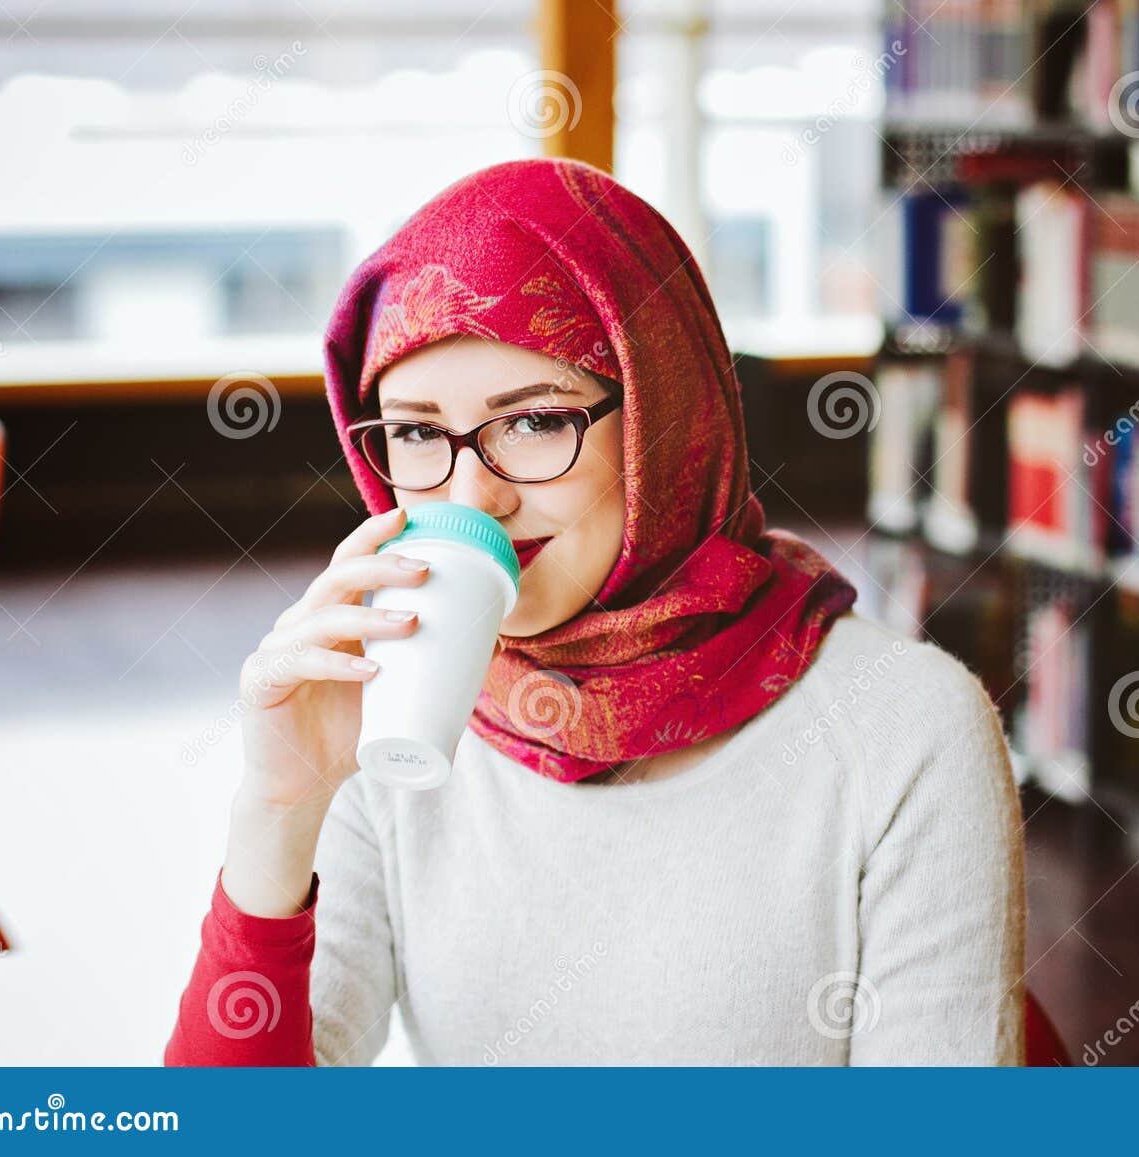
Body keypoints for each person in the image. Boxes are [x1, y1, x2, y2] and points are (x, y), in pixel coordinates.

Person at [164, 157, 1025, 1066]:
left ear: (664, 414)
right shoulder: (386, 712)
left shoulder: (905, 732)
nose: (472, 495)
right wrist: (278, 809)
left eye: (534, 421)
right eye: (417, 431)